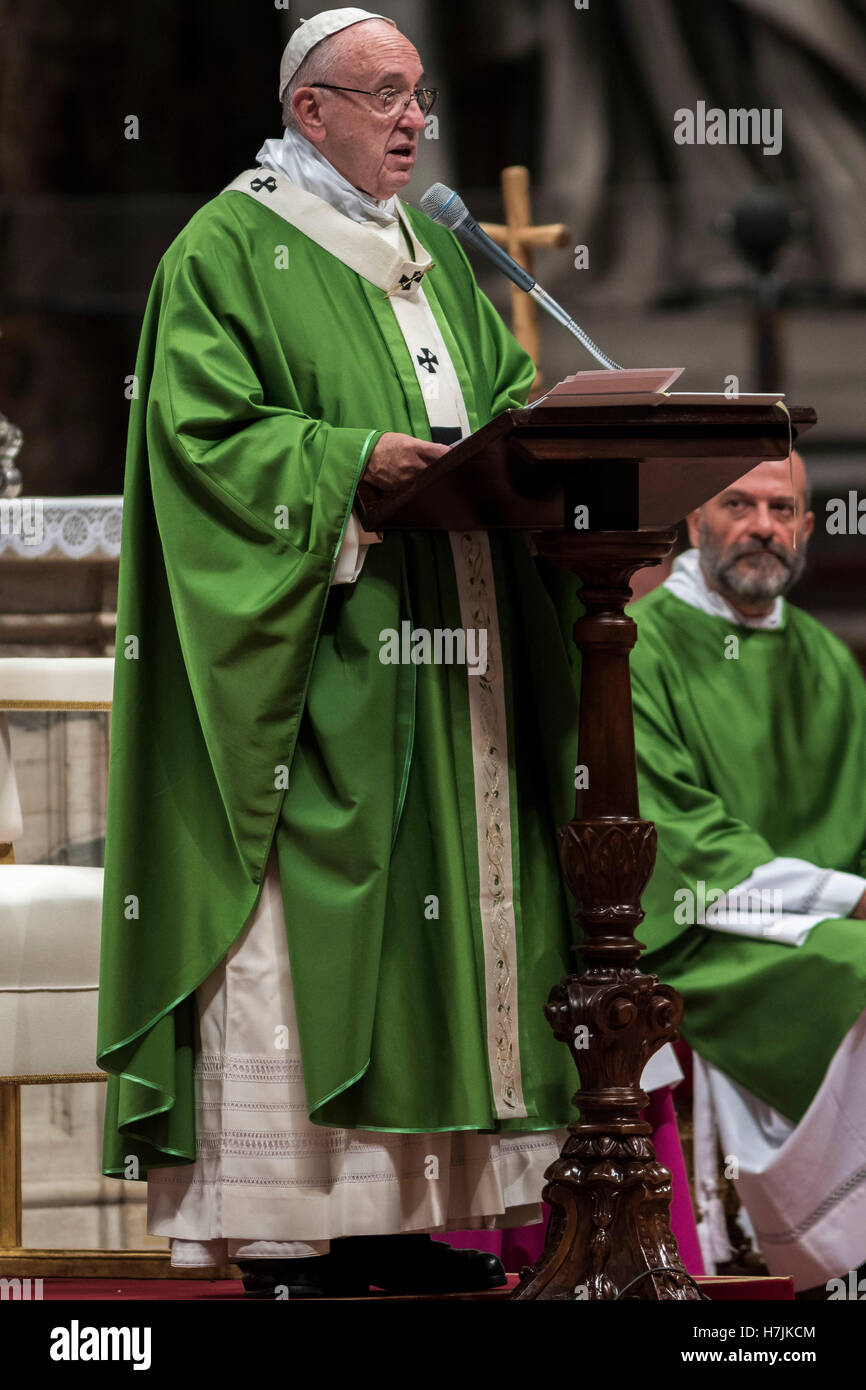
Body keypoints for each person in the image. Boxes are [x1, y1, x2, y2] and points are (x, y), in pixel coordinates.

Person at [96, 8, 681, 1298]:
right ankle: (300, 1229)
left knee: (446, 929)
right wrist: (344, 461)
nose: (414, 119)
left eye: (419, 95)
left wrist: (582, 474)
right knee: (320, 929)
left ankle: (418, 1224)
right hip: (323, 670)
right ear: (310, 111)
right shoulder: (226, 248)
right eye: (383, 96)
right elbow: (200, 446)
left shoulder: (427, 254)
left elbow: (500, 425)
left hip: (453, 654)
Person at [629, 450, 866, 1293]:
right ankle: (837, 1254)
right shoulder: (639, 645)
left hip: (819, 925)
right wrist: (849, 898)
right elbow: (680, 838)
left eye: (782, 508)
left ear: (806, 527)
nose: (762, 525)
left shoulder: (825, 659)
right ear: (695, 521)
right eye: (739, 503)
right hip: (699, 931)